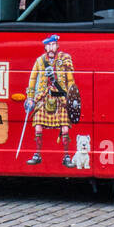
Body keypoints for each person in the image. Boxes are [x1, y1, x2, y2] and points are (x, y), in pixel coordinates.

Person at [24, 33, 78, 167]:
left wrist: (71, 97)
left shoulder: (65, 59)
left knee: (65, 128)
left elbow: (70, 80)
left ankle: (66, 156)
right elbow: (32, 80)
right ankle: (37, 154)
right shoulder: (39, 61)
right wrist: (30, 98)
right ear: (45, 47)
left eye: (53, 44)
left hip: (60, 98)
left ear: (57, 45)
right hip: (42, 97)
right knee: (38, 126)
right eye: (48, 45)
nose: (51, 47)